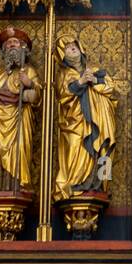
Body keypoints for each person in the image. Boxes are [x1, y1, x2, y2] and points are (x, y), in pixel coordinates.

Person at [0, 27, 42, 202]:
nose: (12, 46)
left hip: (18, 120)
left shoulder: (29, 72)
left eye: (15, 43)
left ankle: (18, 185)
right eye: (8, 44)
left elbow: (38, 97)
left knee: (19, 150)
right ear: (4, 51)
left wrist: (30, 84)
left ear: (23, 49)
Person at [52, 33, 118, 201]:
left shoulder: (95, 69)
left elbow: (112, 89)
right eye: (66, 47)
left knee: (104, 149)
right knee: (76, 150)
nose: (71, 48)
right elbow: (62, 94)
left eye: (74, 45)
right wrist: (80, 83)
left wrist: (94, 80)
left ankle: (102, 184)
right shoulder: (63, 74)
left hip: (101, 122)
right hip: (75, 122)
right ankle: (74, 186)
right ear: (62, 54)